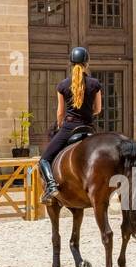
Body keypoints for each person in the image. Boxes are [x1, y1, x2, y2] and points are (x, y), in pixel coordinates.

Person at [38, 46, 103, 204]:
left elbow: (60, 113)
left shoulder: (62, 85)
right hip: (88, 127)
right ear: (86, 64)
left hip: (69, 127)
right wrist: (87, 114)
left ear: (71, 64)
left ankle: (51, 186)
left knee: (44, 159)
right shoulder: (95, 84)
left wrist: (61, 124)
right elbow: (98, 109)